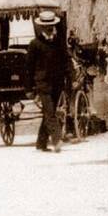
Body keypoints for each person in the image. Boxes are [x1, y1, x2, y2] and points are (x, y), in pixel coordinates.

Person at [27, 9, 70, 153]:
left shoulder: (59, 42)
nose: (49, 28)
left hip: (57, 83)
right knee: (50, 112)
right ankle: (57, 140)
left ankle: (41, 143)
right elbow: (29, 68)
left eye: (51, 25)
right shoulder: (35, 44)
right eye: (46, 26)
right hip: (43, 84)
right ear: (41, 27)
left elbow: (66, 60)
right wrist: (28, 88)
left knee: (48, 112)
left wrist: (70, 77)